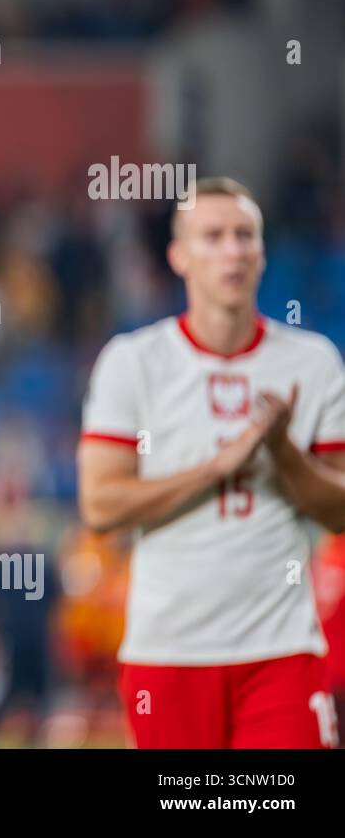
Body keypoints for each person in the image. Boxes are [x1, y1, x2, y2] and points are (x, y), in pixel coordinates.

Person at [78, 177, 345, 749]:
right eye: (214, 236)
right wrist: (219, 465)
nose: (233, 250)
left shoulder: (314, 363)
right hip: (168, 651)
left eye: (246, 235)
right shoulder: (133, 362)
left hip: (281, 649)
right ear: (178, 255)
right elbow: (101, 505)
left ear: (263, 253)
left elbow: (339, 510)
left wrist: (281, 451)